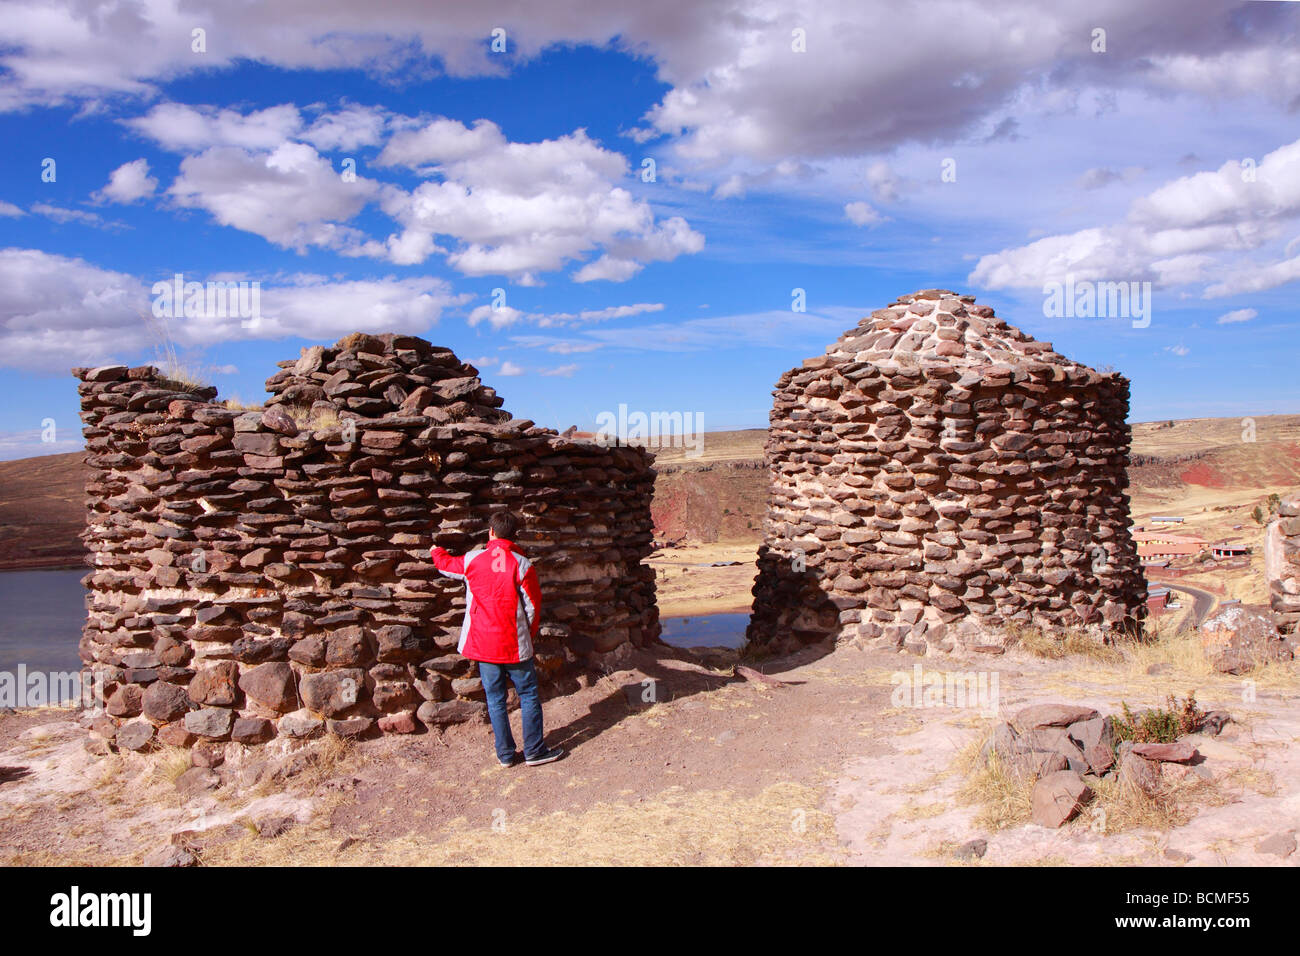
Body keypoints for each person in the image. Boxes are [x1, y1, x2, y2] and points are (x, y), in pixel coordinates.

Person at [430, 511, 564, 767]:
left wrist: (436, 550)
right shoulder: (522, 564)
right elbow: (532, 605)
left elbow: (446, 565)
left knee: (494, 698)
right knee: (528, 694)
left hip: (483, 643)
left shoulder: (473, 559)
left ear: (491, 532)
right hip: (514, 642)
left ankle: (505, 755)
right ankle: (534, 751)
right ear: (514, 535)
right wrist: (528, 634)